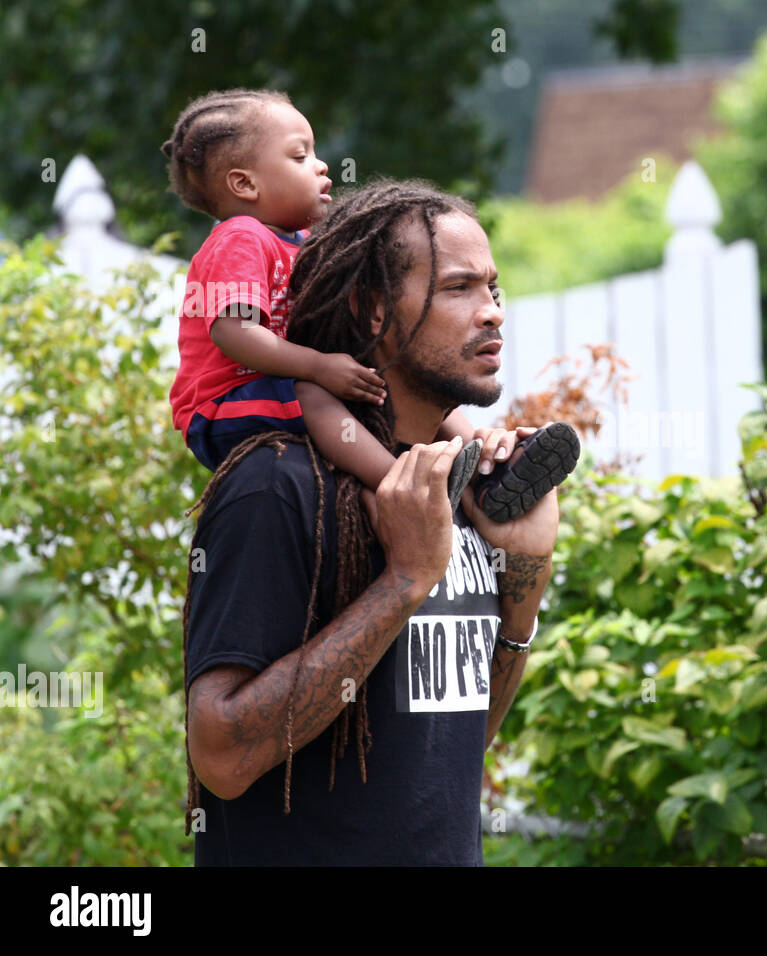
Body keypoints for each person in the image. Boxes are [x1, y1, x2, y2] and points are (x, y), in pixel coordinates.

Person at [181, 179, 560, 865]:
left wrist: (525, 583)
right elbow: (221, 756)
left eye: (494, 290)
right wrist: (405, 580)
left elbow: (463, 739)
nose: (493, 313)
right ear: (372, 309)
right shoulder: (277, 486)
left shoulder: (454, 489)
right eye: (459, 289)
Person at [162, 88, 576, 509]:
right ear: (245, 183)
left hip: (289, 383)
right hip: (222, 407)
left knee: (404, 368)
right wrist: (320, 366)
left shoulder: (302, 243)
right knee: (314, 395)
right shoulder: (240, 239)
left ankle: (489, 466)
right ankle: (404, 486)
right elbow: (235, 332)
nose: (322, 165)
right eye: (299, 156)